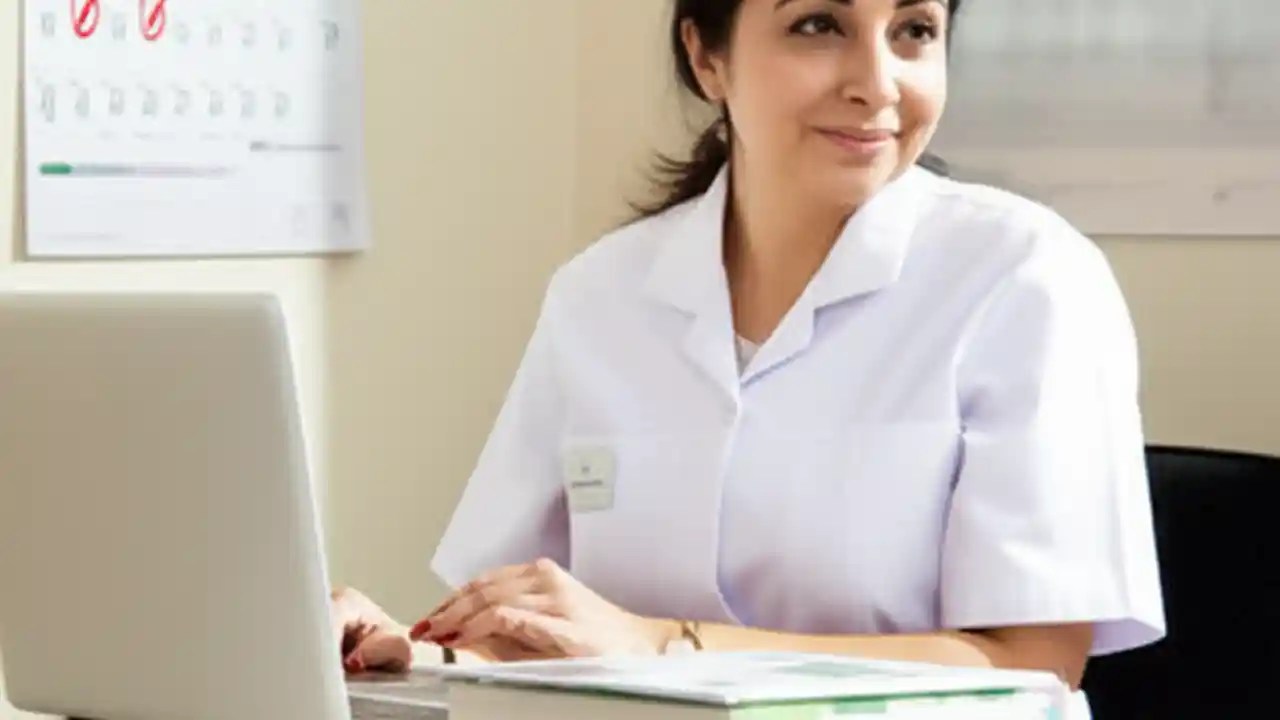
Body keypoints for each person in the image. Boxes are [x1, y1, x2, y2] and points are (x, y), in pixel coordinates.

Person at [333, 0, 1165, 712]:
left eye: (913, 30)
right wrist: (407, 647)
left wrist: (665, 645)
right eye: (818, 24)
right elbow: (542, 636)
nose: (877, 83)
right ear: (707, 56)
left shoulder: (1024, 276)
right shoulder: (601, 296)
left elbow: (1031, 664)